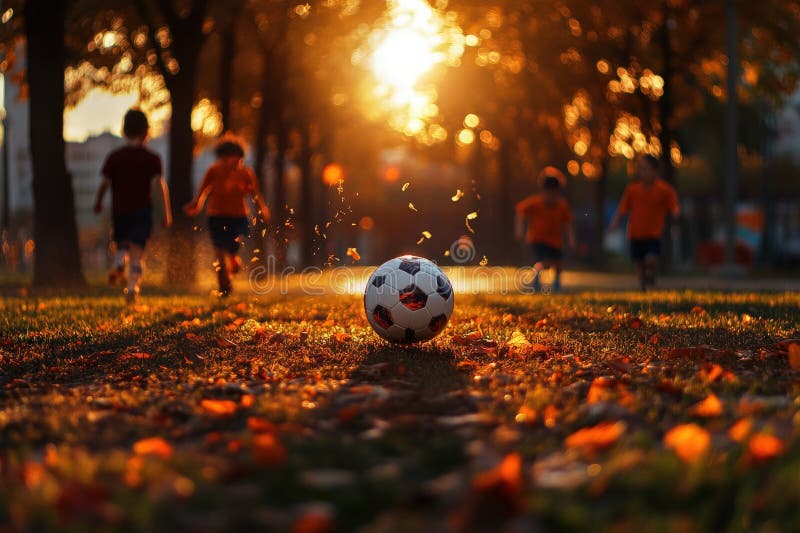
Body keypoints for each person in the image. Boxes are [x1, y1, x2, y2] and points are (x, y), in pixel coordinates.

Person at [94, 108, 171, 304]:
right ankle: (132, 287)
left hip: (120, 212)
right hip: (142, 212)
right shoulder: (152, 158)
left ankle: (119, 262)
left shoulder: (115, 157)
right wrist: (166, 212)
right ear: (147, 131)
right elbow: (160, 186)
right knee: (138, 253)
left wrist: (98, 202)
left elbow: (105, 184)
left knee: (122, 245)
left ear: (124, 130)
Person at [184, 138, 269, 297]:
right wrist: (196, 205)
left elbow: (254, 194)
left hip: (238, 217)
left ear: (240, 157)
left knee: (232, 248)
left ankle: (234, 260)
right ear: (220, 158)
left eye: (234, 158)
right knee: (219, 253)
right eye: (226, 158)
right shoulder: (214, 171)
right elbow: (204, 190)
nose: (230, 161)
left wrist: (261, 208)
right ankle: (224, 286)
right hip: (216, 216)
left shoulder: (245, 173)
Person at [609, 154, 680, 291]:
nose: (642, 172)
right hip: (635, 233)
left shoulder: (664, 190)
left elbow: (674, 205)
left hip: (654, 234)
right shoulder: (632, 189)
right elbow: (622, 208)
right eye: (640, 169)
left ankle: (651, 275)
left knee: (651, 260)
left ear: (654, 170)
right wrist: (615, 222)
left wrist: (676, 213)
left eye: (645, 169)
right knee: (640, 265)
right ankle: (644, 290)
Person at [515, 166, 575, 293]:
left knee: (558, 265)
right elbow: (520, 211)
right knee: (543, 262)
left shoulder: (562, 205)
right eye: (548, 193)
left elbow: (567, 223)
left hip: (555, 241)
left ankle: (557, 286)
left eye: (554, 193)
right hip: (537, 239)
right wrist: (519, 229)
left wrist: (570, 239)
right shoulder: (535, 203)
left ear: (557, 192)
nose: (551, 196)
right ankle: (536, 283)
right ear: (543, 191)